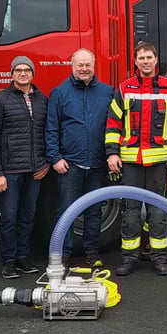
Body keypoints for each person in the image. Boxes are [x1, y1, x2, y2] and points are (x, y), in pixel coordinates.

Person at [105, 41, 167, 277]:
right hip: (131, 161)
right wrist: (112, 152)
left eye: (149, 58)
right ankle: (129, 258)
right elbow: (112, 123)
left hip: (159, 162)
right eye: (141, 58)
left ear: (155, 60)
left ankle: (160, 258)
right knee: (130, 212)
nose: (145, 62)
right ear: (135, 61)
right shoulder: (124, 88)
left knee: (158, 213)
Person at [46, 48, 115, 268]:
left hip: (97, 163)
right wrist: (55, 157)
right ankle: (62, 255)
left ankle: (92, 252)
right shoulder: (60, 93)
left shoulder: (107, 92)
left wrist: (111, 155)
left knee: (94, 211)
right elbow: (51, 128)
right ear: (72, 66)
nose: (84, 69)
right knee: (66, 210)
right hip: (70, 164)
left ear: (93, 66)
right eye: (79, 65)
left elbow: (114, 125)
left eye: (87, 65)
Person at [0, 56, 50, 279]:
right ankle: (9, 262)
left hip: (35, 170)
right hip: (9, 171)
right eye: (18, 70)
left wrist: (46, 163)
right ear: (12, 74)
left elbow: (48, 133)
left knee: (28, 216)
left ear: (33, 74)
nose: (23, 74)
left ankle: (23, 257)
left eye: (27, 70)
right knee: (9, 217)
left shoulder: (42, 99)